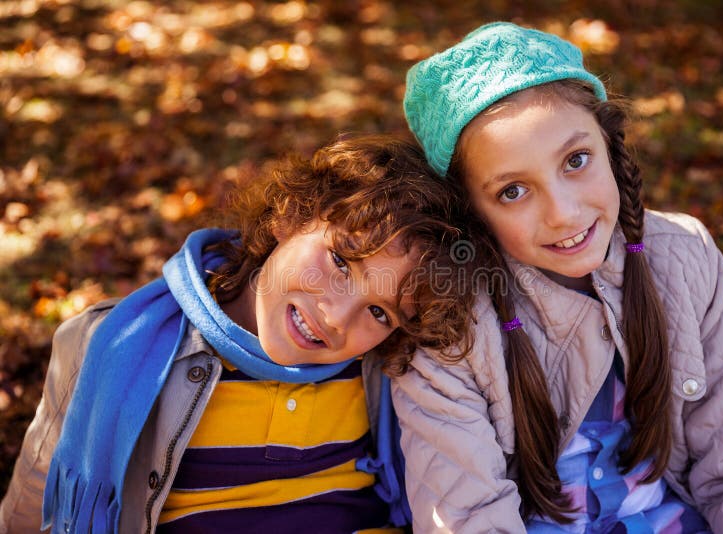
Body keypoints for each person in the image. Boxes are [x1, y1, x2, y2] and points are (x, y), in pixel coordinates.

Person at [393, 21, 723, 533]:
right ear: (470, 211)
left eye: (576, 160)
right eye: (512, 191)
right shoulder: (449, 321)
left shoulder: (685, 258)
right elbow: (467, 516)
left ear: (610, 146)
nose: (563, 214)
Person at [0, 135, 477, 534]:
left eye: (378, 311)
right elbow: (37, 492)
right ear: (289, 217)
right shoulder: (122, 348)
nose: (335, 317)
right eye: (339, 261)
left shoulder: (381, 374)